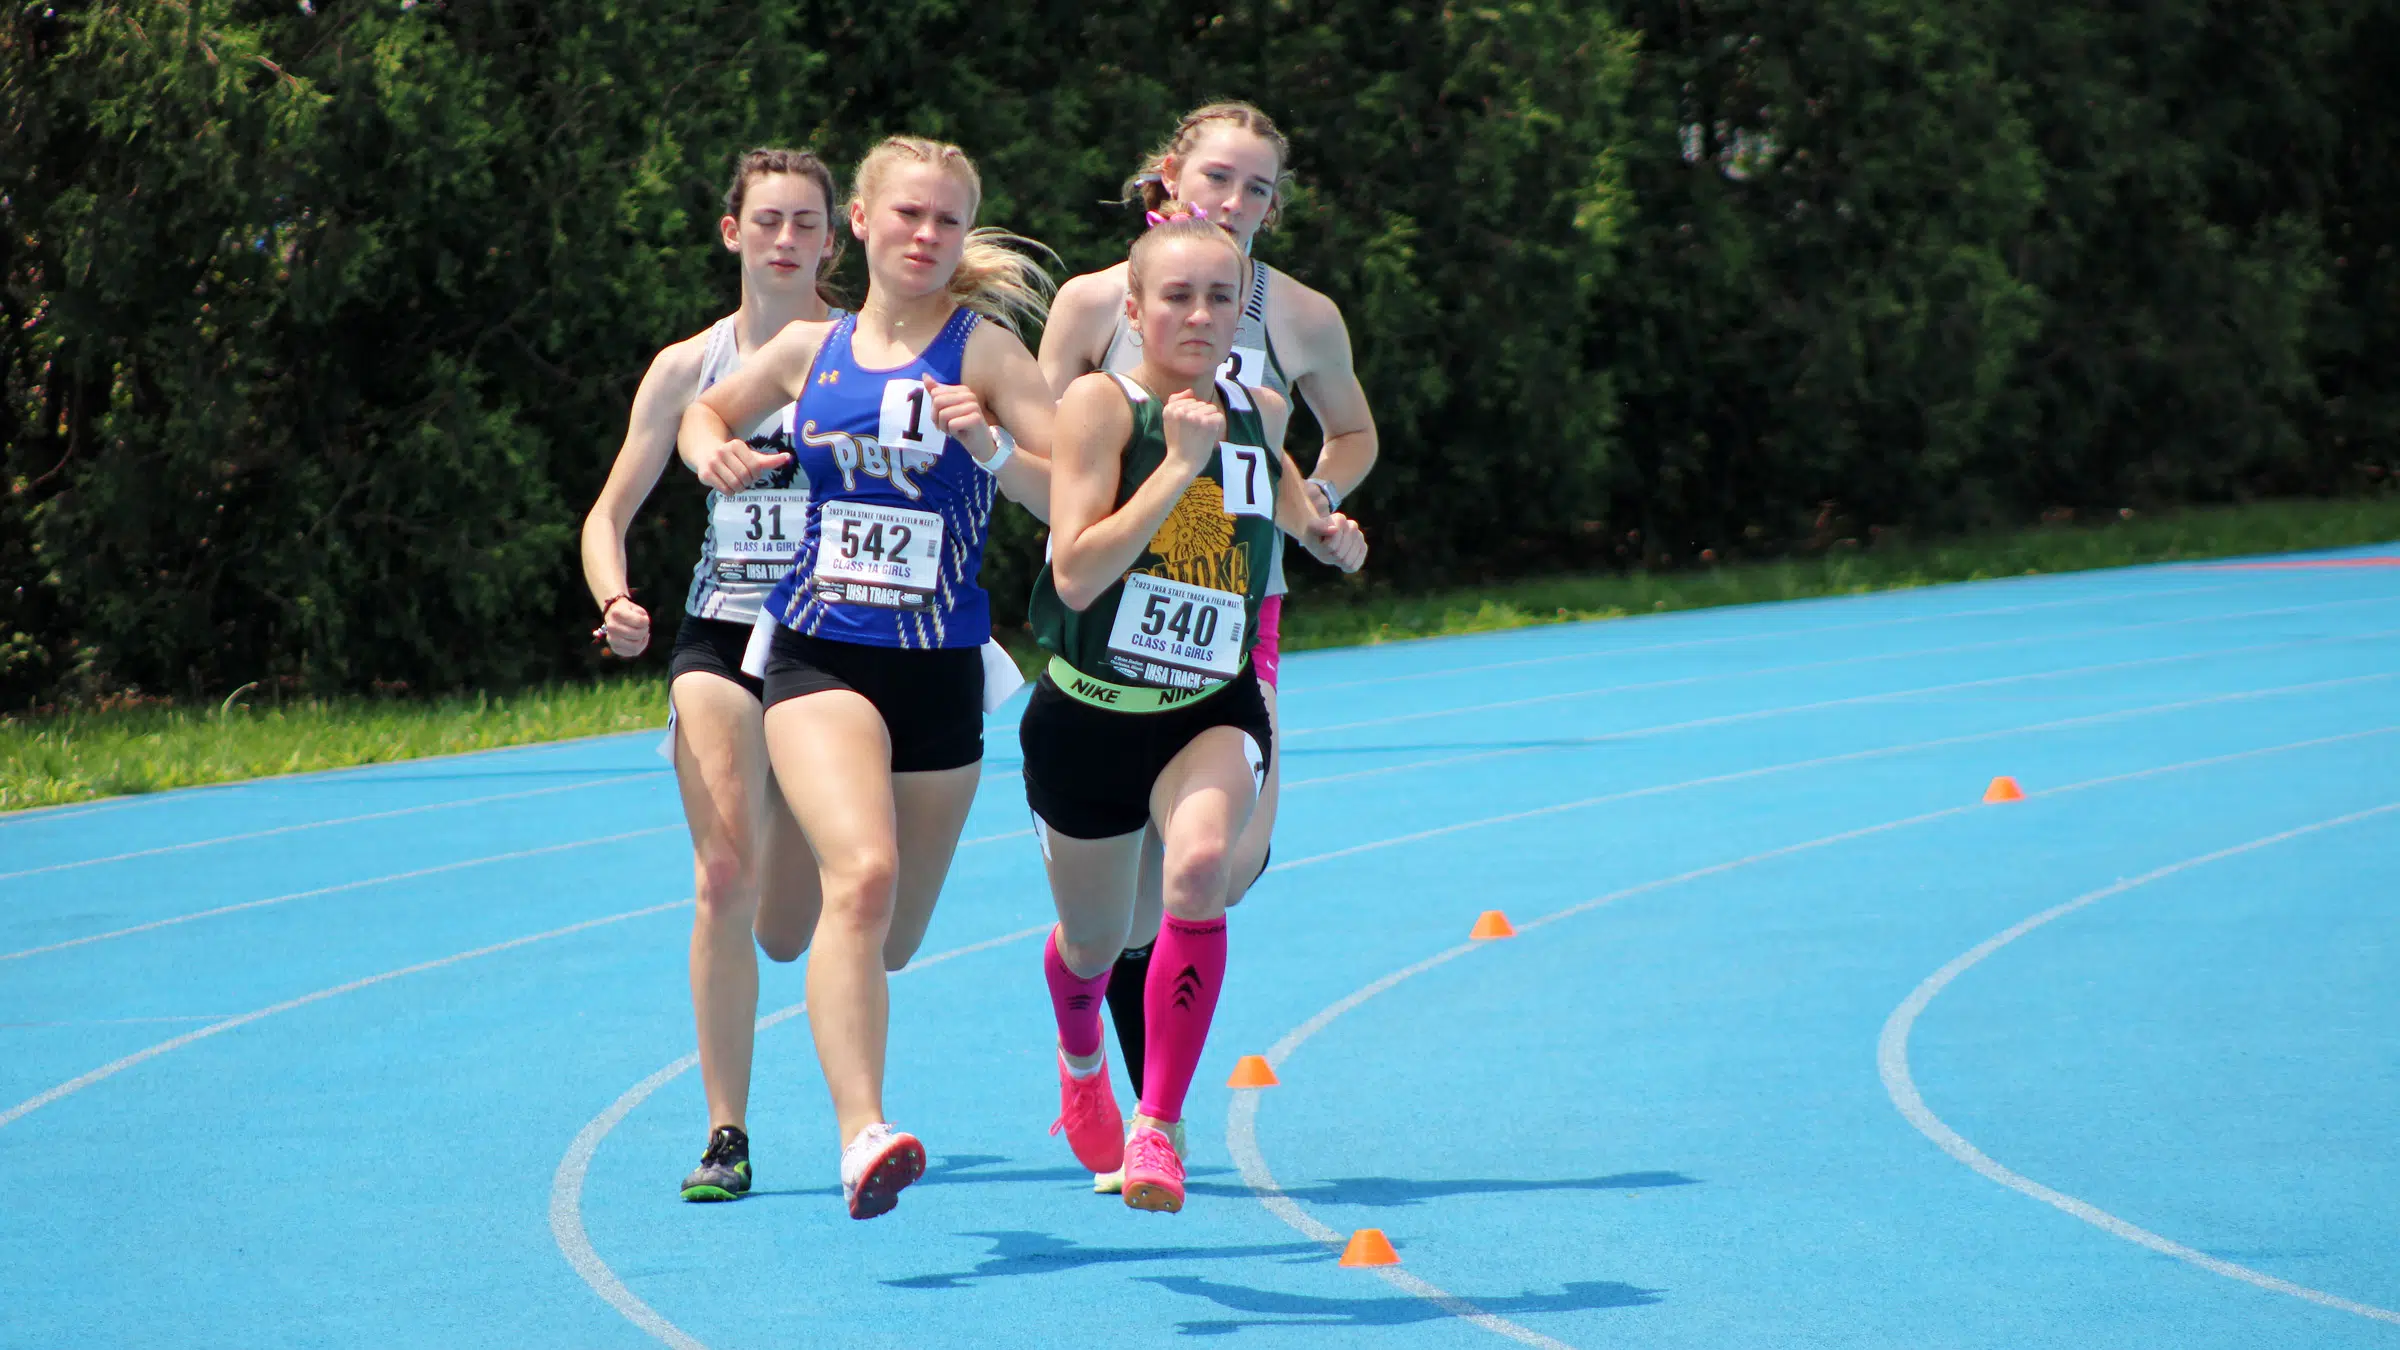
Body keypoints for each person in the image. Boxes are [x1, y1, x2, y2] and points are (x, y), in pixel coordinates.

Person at [678, 134, 1056, 1220]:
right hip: (816, 651)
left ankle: (801, 849)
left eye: (946, 221)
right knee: (868, 877)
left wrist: (990, 452)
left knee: (885, 935)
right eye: (907, 216)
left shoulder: (984, 355)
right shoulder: (813, 349)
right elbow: (712, 408)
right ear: (865, 224)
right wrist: (713, 448)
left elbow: (1065, 491)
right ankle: (864, 1135)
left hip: (939, 671)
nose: (926, 237)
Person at [1037, 101, 1380, 1192]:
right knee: (1097, 940)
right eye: (1178, 297)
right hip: (1093, 698)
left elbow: (1286, 492)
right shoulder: (1100, 395)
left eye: (1222, 299)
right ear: (1134, 308)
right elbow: (1075, 568)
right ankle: (1083, 1048)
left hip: (1211, 688)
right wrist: (1171, 466)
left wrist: (1323, 530)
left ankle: (1159, 1124)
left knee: (1199, 875)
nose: (1203, 314)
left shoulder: (1259, 402)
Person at [582, 147, 844, 1204]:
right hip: (718, 635)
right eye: (767, 219)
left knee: (788, 928)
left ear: (836, 238)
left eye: (806, 222)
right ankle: (725, 1133)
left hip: (838, 645)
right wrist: (616, 600)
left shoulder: (870, 353)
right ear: (732, 232)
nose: (786, 238)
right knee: (723, 879)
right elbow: (608, 514)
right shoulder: (687, 369)